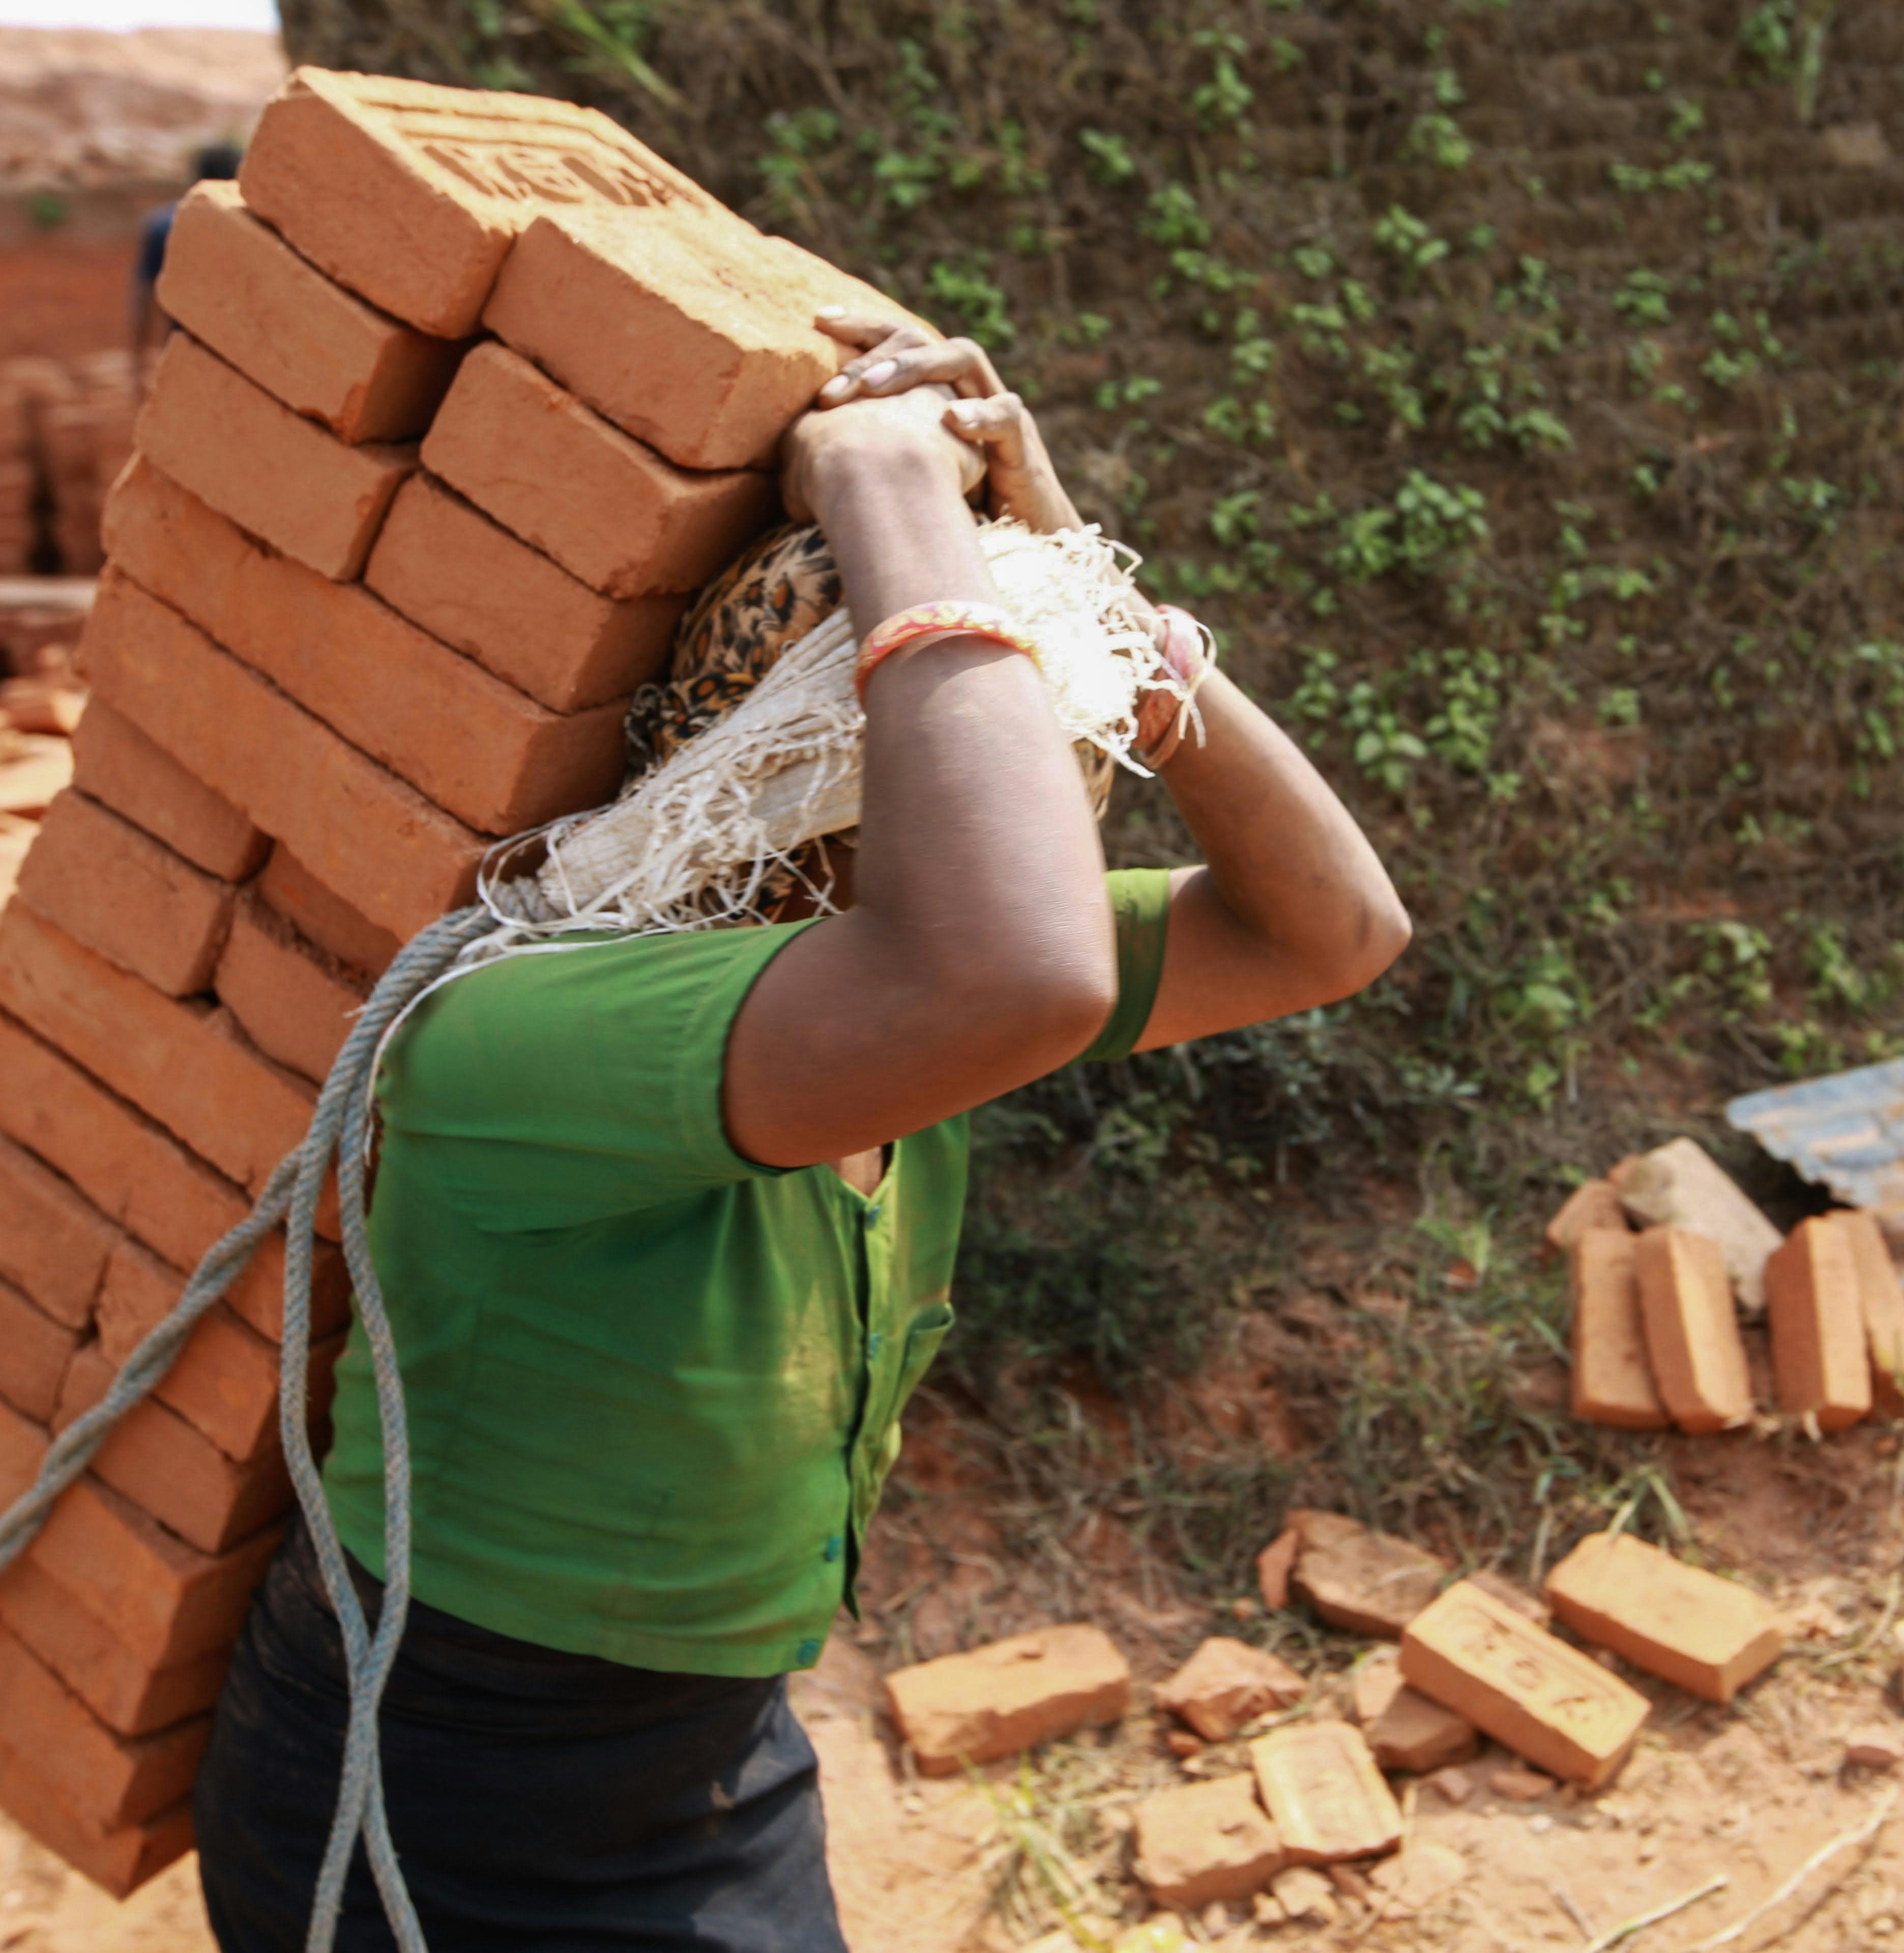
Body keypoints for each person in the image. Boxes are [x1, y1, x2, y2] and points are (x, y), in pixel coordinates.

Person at [191, 314, 1411, 1950]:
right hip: (446, 1789)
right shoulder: (525, 1038)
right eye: (1015, 728)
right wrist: (886, 492)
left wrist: (1089, 588)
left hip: (708, 1757)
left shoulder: (884, 992)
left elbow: (1333, 931)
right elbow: (1013, 963)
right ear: (822, 776)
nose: (1064, 780)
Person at [131, 141, 243, 392]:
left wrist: (137, 364)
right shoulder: (247, 229)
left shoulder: (164, 225)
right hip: (239, 355)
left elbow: (145, 296)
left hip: (182, 350)